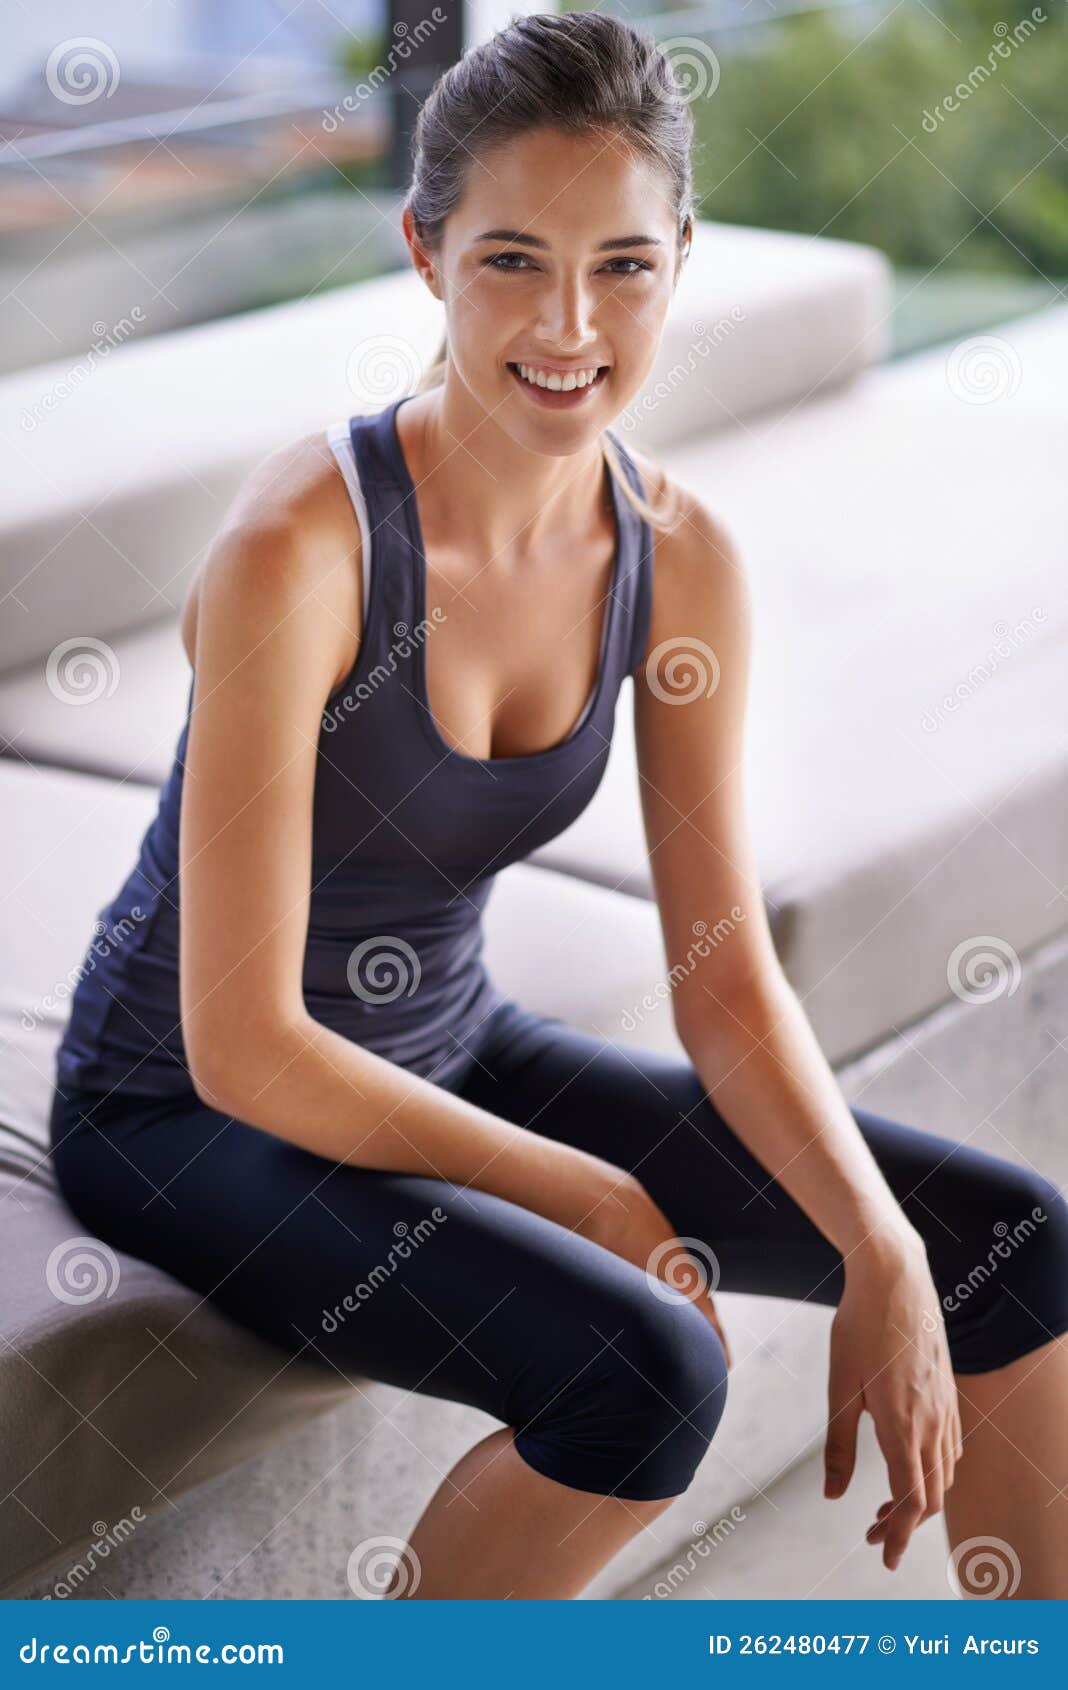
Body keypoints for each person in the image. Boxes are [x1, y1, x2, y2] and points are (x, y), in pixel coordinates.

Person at [48, 11, 1067, 1601]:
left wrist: (879, 1239)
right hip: (186, 1110)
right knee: (642, 1373)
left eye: (625, 265)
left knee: (1010, 1240)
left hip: (447, 1039)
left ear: (681, 259)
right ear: (426, 252)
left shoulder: (680, 558)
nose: (572, 323)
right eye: (513, 259)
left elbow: (722, 975)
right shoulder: (301, 549)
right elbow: (241, 1042)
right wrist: (587, 1187)